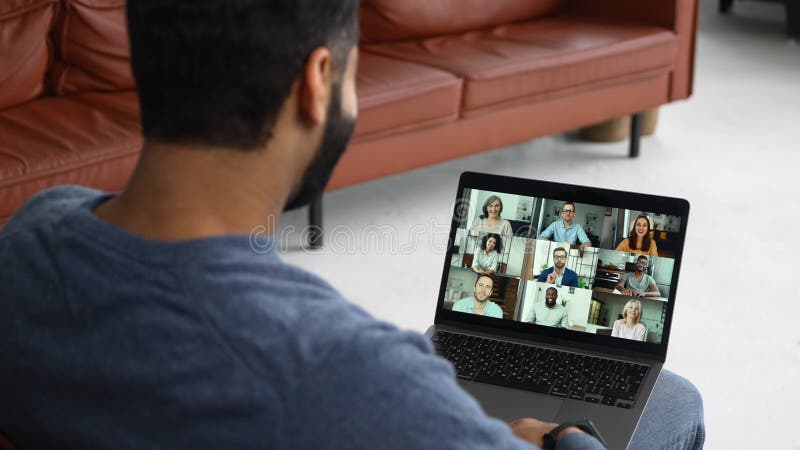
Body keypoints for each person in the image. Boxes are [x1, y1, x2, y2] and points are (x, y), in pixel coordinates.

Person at [0, 2, 705, 449]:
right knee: (672, 404)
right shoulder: (346, 373)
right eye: (354, 78)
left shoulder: (27, 239)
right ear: (316, 82)